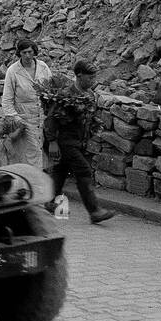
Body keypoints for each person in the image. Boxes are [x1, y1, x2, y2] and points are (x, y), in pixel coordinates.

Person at [44, 59, 115, 225]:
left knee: (61, 171)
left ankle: (49, 203)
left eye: (94, 77)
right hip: (64, 141)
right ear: (79, 76)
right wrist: (52, 142)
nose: (93, 81)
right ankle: (94, 211)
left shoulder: (90, 95)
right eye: (90, 78)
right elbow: (50, 120)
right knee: (84, 171)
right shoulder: (65, 95)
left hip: (78, 141)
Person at [0, 39, 52, 167]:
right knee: (31, 150)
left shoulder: (43, 67)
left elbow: (52, 88)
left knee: (41, 148)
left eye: (30, 52)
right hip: (23, 116)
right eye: (24, 52)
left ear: (34, 51)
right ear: (19, 53)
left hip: (41, 114)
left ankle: (38, 178)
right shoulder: (13, 71)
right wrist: (15, 118)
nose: (28, 55)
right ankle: (33, 179)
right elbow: (7, 98)